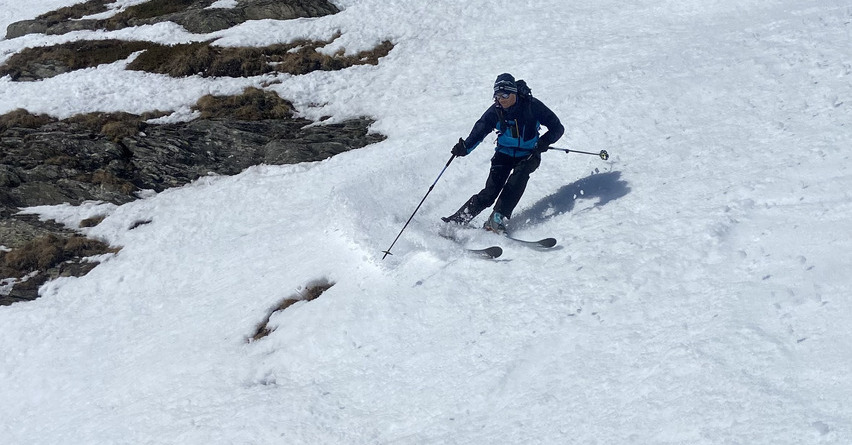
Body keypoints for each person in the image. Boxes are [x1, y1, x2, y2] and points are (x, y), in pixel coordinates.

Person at [442, 73, 564, 234]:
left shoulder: (532, 106)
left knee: (517, 180)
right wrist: (464, 147)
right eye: (497, 96)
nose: (501, 99)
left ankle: (497, 218)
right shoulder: (495, 111)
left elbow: (557, 128)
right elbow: (480, 130)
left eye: (505, 94)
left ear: (513, 93)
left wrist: (543, 142)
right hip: (503, 154)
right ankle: (458, 221)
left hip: (529, 153)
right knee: (490, 193)